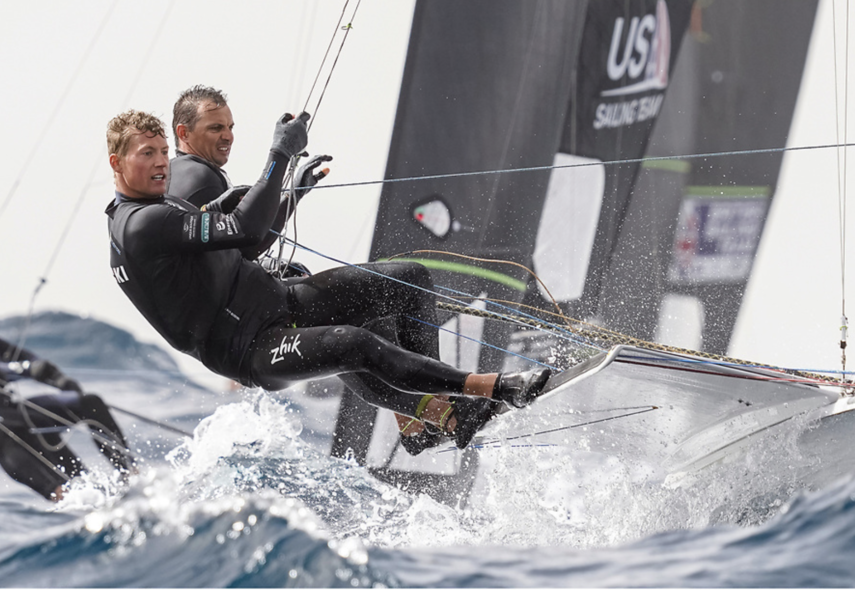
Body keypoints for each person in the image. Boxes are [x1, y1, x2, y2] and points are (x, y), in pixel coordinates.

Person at [104, 109, 550, 457]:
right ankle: (489, 389)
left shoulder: (154, 208)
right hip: (253, 348)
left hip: (280, 302)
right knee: (355, 344)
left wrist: (254, 201)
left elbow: (231, 246)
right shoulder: (142, 223)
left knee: (409, 279)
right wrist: (280, 154)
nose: (160, 162)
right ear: (116, 162)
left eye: (162, 151)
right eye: (147, 154)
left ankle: (428, 418)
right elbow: (245, 229)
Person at [165, 85, 426, 455]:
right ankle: (429, 409)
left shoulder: (187, 175)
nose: (227, 136)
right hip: (247, 329)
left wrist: (294, 195)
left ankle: (416, 418)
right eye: (215, 128)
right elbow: (249, 241)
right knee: (386, 295)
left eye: (230, 127)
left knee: (346, 320)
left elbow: (238, 243)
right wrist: (282, 156)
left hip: (238, 334)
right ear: (183, 133)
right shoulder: (197, 178)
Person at [0, 338, 134, 501]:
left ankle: (129, 475)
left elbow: (30, 360)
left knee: (90, 403)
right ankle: (65, 495)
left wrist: (60, 379)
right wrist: (24, 369)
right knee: (11, 430)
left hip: (13, 408)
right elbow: (21, 367)